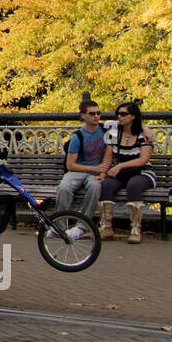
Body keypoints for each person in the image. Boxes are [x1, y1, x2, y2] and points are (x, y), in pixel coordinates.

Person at [99, 101, 156, 244]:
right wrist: (103, 172)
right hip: (122, 173)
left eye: (124, 114)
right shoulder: (113, 133)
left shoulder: (144, 135)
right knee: (106, 185)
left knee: (134, 185)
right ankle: (106, 227)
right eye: (118, 114)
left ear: (133, 116)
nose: (120, 117)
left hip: (141, 172)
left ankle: (136, 229)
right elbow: (108, 156)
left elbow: (143, 160)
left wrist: (120, 166)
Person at [56, 100, 110, 232]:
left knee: (94, 187)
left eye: (98, 113)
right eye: (92, 114)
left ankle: (83, 226)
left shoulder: (106, 130)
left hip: (95, 173)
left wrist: (102, 171)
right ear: (83, 116)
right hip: (78, 170)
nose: (96, 116)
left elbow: (129, 122)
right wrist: (94, 168)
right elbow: (70, 165)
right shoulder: (77, 136)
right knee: (64, 188)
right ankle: (59, 227)